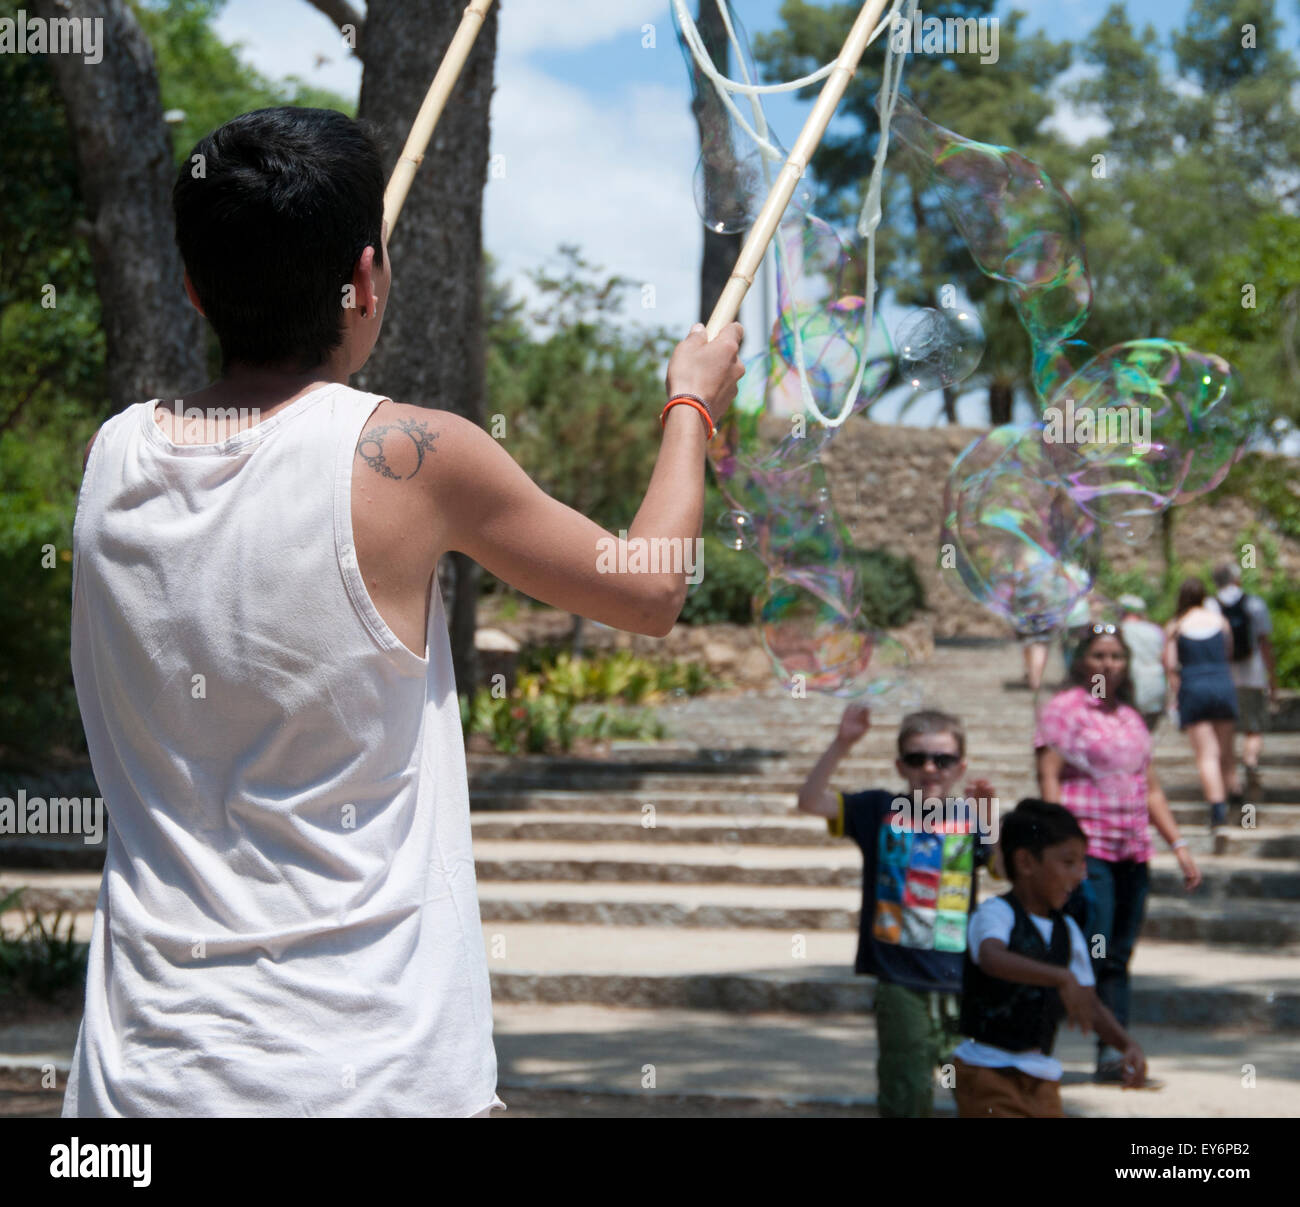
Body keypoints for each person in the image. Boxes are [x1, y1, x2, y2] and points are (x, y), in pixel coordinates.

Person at [65, 107, 746, 1117]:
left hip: (139, 1084)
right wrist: (691, 401)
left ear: (192, 284)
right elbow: (649, 587)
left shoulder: (112, 457)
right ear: (370, 280)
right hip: (371, 1074)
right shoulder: (414, 460)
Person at [798, 705, 997, 1117]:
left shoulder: (972, 817)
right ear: (900, 766)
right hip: (898, 979)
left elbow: (1004, 869)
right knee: (904, 1091)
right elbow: (810, 801)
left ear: (960, 767)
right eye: (916, 758)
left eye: (942, 759)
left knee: (981, 1092)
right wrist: (843, 742)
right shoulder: (877, 810)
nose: (929, 768)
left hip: (963, 979)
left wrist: (990, 818)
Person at [1035, 624, 1200, 1083]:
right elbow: (1048, 776)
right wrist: (1053, 847)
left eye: (1117, 657)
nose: (1109, 664)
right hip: (1088, 853)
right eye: (1099, 655)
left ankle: (1113, 1056)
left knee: (1118, 954)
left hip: (1132, 851)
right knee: (1084, 949)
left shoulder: (1129, 716)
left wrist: (1179, 845)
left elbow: (1151, 787)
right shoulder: (1064, 711)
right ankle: (1035, 1048)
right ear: (1080, 661)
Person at [952, 800, 1147, 1118]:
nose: (1079, 875)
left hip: (1040, 1076)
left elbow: (1090, 1003)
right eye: (1068, 863)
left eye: (1082, 863)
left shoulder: (1067, 931)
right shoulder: (996, 914)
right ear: (1026, 862)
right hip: (985, 1070)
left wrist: (1126, 1045)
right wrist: (1058, 977)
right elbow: (991, 957)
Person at [1164, 578, 1239, 831]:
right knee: (1226, 751)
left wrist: (1178, 694)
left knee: (1207, 755)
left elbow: (1170, 665)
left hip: (1194, 688)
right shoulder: (1221, 622)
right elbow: (1228, 655)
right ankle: (1236, 794)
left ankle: (1218, 811)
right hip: (1222, 684)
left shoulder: (1176, 625)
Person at [1206, 563, 1278, 800]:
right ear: (1236, 579)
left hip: (1222, 678)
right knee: (1253, 727)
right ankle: (1250, 759)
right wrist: (1273, 680)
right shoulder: (1254, 603)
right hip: (1253, 675)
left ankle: (1231, 784)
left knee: (1225, 733)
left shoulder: (1209, 606)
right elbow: (1265, 643)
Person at [1118, 594, 1168, 732]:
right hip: (1155, 685)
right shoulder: (1156, 631)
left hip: (1130, 687)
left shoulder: (1118, 631)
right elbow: (1165, 659)